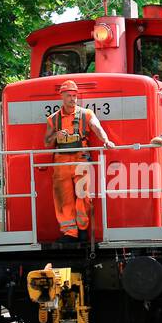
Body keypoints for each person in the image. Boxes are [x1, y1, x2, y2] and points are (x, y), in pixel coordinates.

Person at [43, 79, 115, 239]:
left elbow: (97, 127)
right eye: (69, 95)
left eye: (75, 96)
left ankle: (82, 229)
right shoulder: (53, 119)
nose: (73, 99)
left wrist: (106, 140)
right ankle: (70, 233)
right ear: (62, 96)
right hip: (61, 162)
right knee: (63, 199)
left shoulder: (86, 114)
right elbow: (46, 142)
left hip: (81, 159)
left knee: (84, 195)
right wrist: (56, 135)